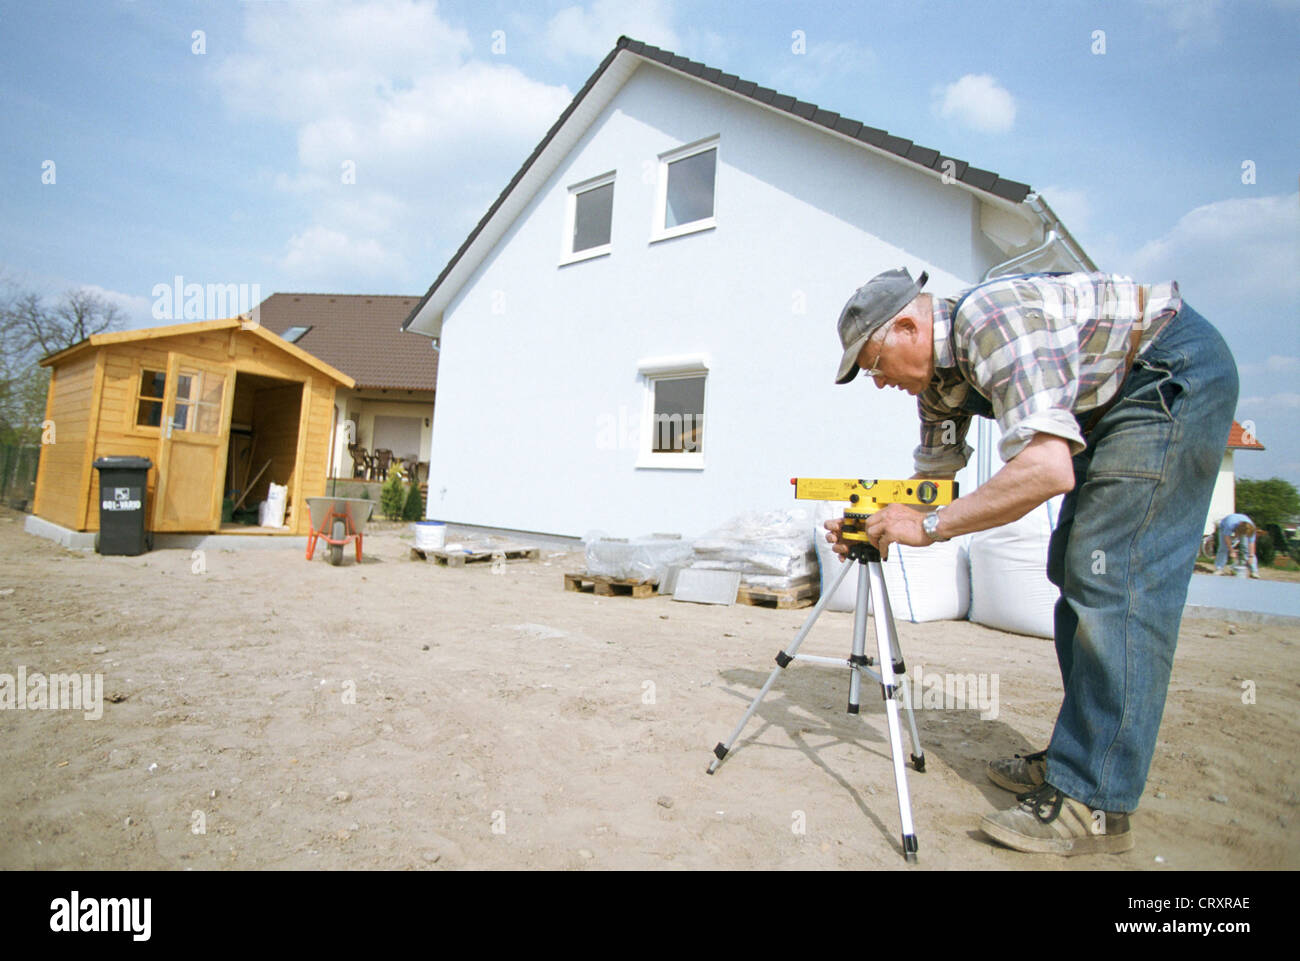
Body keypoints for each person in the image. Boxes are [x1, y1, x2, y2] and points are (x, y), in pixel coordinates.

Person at [826, 267, 1238, 855]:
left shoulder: (988, 320)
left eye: (873, 363)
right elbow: (931, 486)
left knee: (1113, 578)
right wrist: (873, 522)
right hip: (1109, 403)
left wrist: (929, 527)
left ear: (910, 327)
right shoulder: (938, 385)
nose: (876, 381)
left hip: (1165, 372)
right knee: (1074, 567)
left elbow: (1046, 470)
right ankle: (1078, 758)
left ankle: (1095, 803)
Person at [1215, 513, 1260, 577]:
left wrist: (1251, 556)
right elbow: (1226, 538)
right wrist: (1231, 551)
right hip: (1224, 526)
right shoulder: (1229, 524)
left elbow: (1251, 543)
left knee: (1246, 548)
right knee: (1223, 548)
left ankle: (1254, 571)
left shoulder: (1251, 528)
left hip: (1241, 526)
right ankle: (1219, 569)